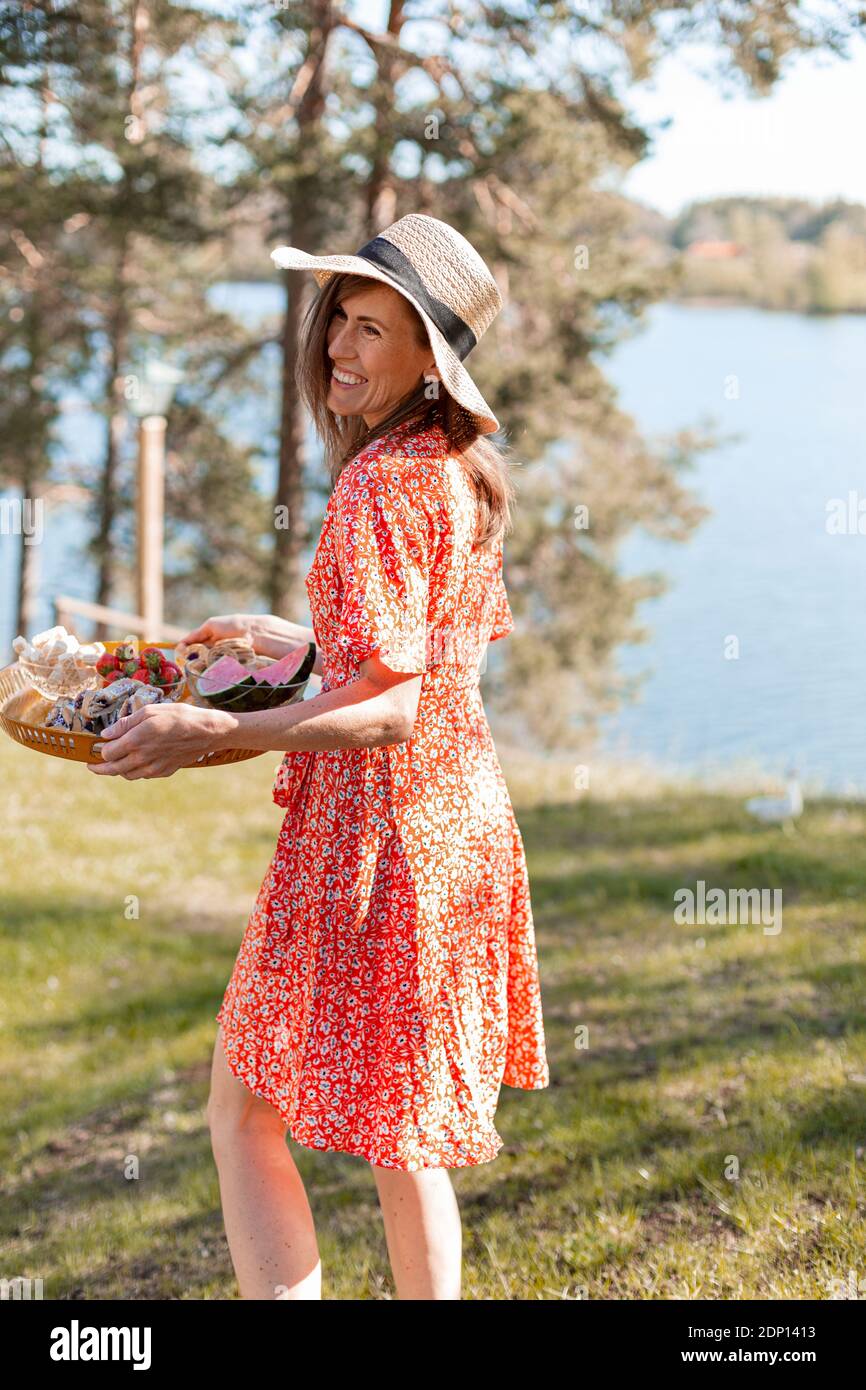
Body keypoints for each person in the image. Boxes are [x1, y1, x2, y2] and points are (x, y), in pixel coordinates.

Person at [88, 213, 549, 1300]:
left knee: (243, 1108)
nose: (341, 345)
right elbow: (419, 668)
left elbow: (390, 707)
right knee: (405, 1140)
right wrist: (294, 644)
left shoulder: (379, 485)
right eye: (339, 317)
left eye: (374, 330)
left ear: (425, 361)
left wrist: (222, 729)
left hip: (376, 836)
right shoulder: (448, 466)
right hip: (455, 826)